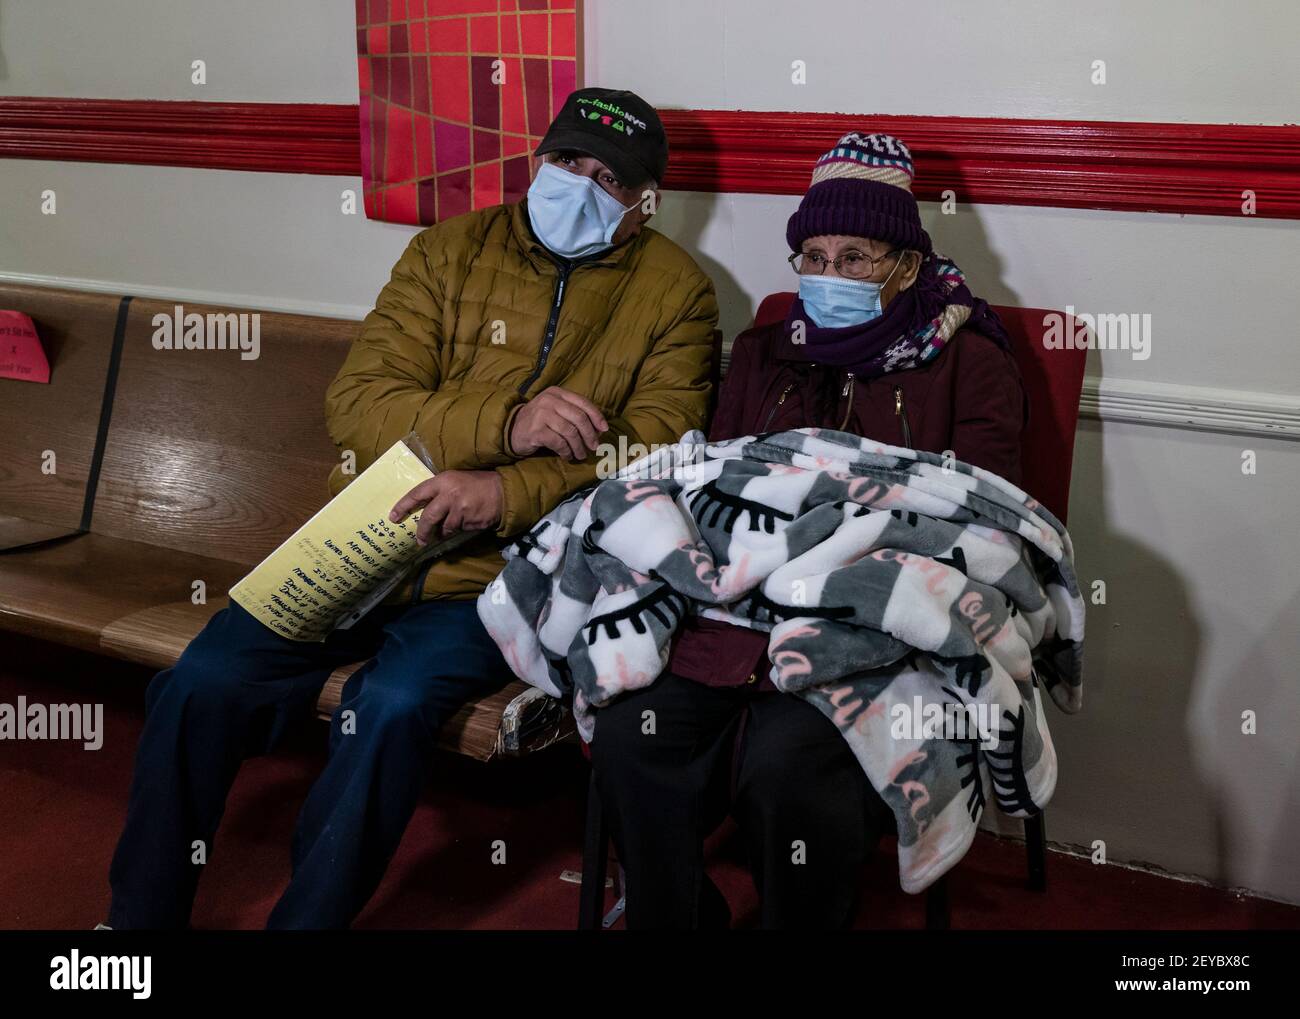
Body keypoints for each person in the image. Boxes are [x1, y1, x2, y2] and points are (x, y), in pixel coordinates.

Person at [102, 87, 719, 930]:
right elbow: (358, 404)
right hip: (368, 535)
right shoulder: (448, 251)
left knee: (387, 708)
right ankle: (135, 923)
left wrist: (499, 492)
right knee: (199, 682)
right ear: (537, 161)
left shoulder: (677, 292)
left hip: (505, 573)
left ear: (643, 205)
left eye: (609, 178)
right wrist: (507, 426)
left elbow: (648, 455)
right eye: (567, 160)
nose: (579, 183)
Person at [589, 131, 1028, 929]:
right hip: (739, 609)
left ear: (905, 262)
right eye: (813, 255)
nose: (829, 275)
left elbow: (983, 518)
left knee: (787, 769)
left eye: (855, 256)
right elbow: (714, 481)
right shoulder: (766, 350)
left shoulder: (970, 361)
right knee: (630, 733)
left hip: (873, 626)